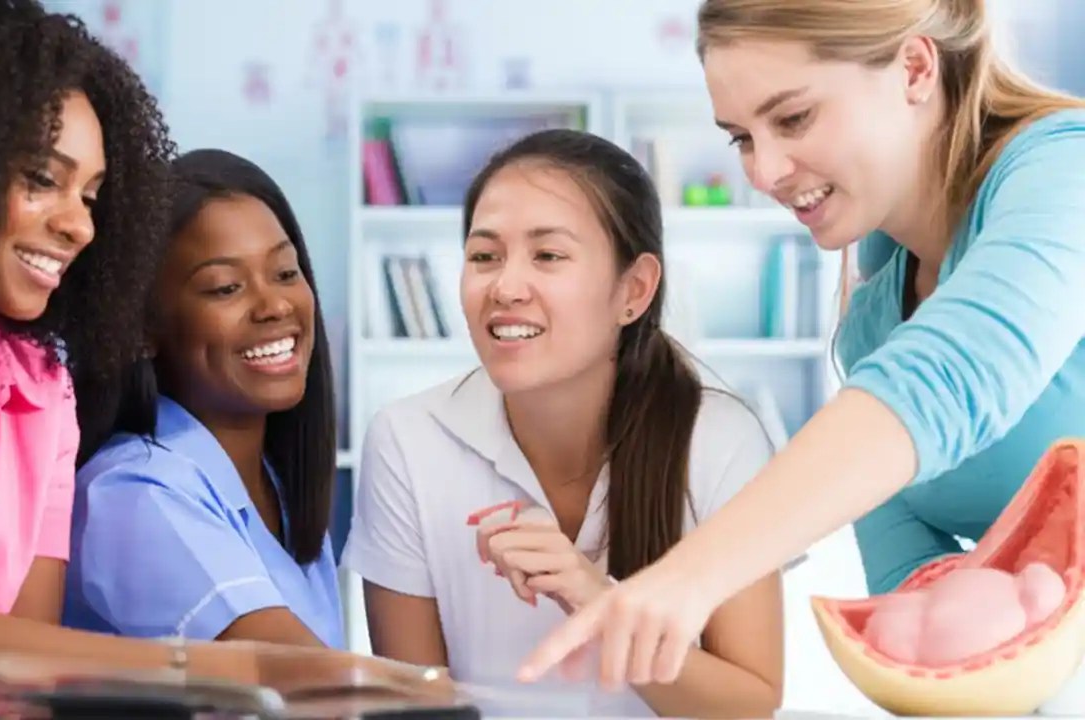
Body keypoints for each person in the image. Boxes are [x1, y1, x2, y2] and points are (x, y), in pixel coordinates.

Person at [0, 0, 388, 689]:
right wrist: (258, 669)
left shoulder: (42, 387)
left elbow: (11, 664)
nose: (79, 226)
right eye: (44, 179)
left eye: (93, 195)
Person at [519, 0, 1085, 698]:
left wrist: (692, 576)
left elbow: (962, 370)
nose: (763, 171)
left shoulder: (1066, 171)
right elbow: (913, 607)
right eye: (741, 138)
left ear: (914, 67)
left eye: (792, 119)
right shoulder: (872, 329)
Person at [342, 128, 785, 718]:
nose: (505, 286)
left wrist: (595, 601)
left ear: (635, 290)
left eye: (548, 255)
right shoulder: (408, 438)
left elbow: (749, 705)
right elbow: (414, 705)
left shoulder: (720, 438)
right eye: (484, 256)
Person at [62, 149, 345, 651]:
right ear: (143, 328)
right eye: (225, 288)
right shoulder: (133, 491)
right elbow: (304, 679)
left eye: (285, 273)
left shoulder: (281, 484)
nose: (275, 306)